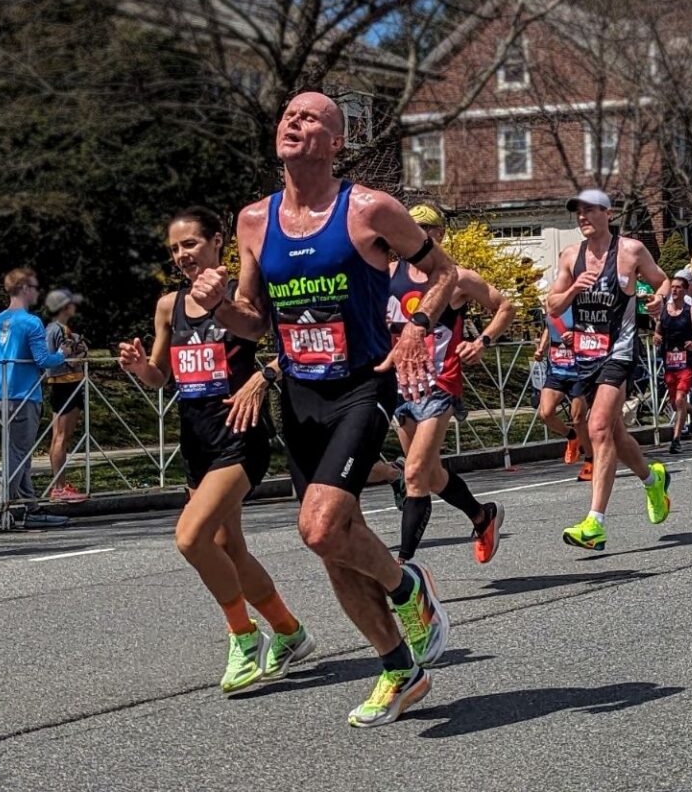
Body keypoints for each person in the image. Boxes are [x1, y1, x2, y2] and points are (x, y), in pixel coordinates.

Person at [196, 91, 455, 727]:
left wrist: (418, 325)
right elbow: (256, 322)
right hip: (301, 396)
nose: (294, 122)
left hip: (361, 388)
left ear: (337, 140)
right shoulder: (254, 220)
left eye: (311, 117)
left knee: (317, 525)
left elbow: (444, 274)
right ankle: (400, 669)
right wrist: (219, 305)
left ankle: (407, 589)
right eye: (288, 115)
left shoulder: (369, 209)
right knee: (331, 542)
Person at [117, 207, 314, 693]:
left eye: (191, 244)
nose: (182, 255)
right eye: (175, 249)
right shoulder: (169, 306)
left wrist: (263, 378)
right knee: (228, 547)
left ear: (217, 242)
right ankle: (289, 631)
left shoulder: (245, 294)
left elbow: (290, 344)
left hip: (240, 435)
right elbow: (164, 377)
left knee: (190, 538)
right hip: (196, 439)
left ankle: (243, 638)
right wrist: (141, 369)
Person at [387, 203, 512, 566]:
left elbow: (505, 307)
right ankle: (481, 515)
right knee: (431, 472)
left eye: (428, 229)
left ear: (440, 234)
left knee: (413, 475)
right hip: (401, 389)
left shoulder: (457, 278)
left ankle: (404, 566)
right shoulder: (388, 273)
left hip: (439, 386)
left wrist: (482, 342)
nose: (421, 236)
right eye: (414, 228)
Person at [549, 188, 673, 551]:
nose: (582, 218)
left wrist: (657, 299)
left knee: (598, 426)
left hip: (619, 351)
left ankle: (595, 523)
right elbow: (553, 306)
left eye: (590, 211)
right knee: (615, 436)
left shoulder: (630, 250)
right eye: (578, 213)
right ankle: (653, 480)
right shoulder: (571, 255)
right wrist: (573, 289)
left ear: (608, 213)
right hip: (584, 356)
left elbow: (661, 280)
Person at [0, 268, 73, 529]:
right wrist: (63, 354)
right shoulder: (31, 323)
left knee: (17, 452)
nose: (37, 292)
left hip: (1, 395)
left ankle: (30, 508)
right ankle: (2, 509)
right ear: (23, 289)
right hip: (24, 394)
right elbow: (43, 360)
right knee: (19, 454)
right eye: (33, 287)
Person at [654, 274, 692, 454]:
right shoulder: (664, 311)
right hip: (670, 362)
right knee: (674, 402)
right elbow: (658, 331)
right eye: (672, 287)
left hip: (687, 361)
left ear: (685, 290)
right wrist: (656, 338)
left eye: (678, 287)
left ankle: (676, 439)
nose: (675, 290)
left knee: (679, 400)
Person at [533, 310, 592, 480]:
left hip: (579, 372)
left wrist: (577, 337)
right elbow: (549, 328)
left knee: (578, 419)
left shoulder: (581, 304)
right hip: (557, 371)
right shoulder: (554, 305)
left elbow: (595, 331)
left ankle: (590, 459)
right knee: (545, 413)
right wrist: (541, 348)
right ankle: (571, 436)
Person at [44, 289, 89, 503]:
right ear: (63, 307)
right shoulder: (61, 330)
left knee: (59, 436)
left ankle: (60, 485)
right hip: (67, 384)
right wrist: (82, 352)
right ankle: (59, 487)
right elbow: (70, 360)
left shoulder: (51, 329)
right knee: (62, 436)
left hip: (62, 385)